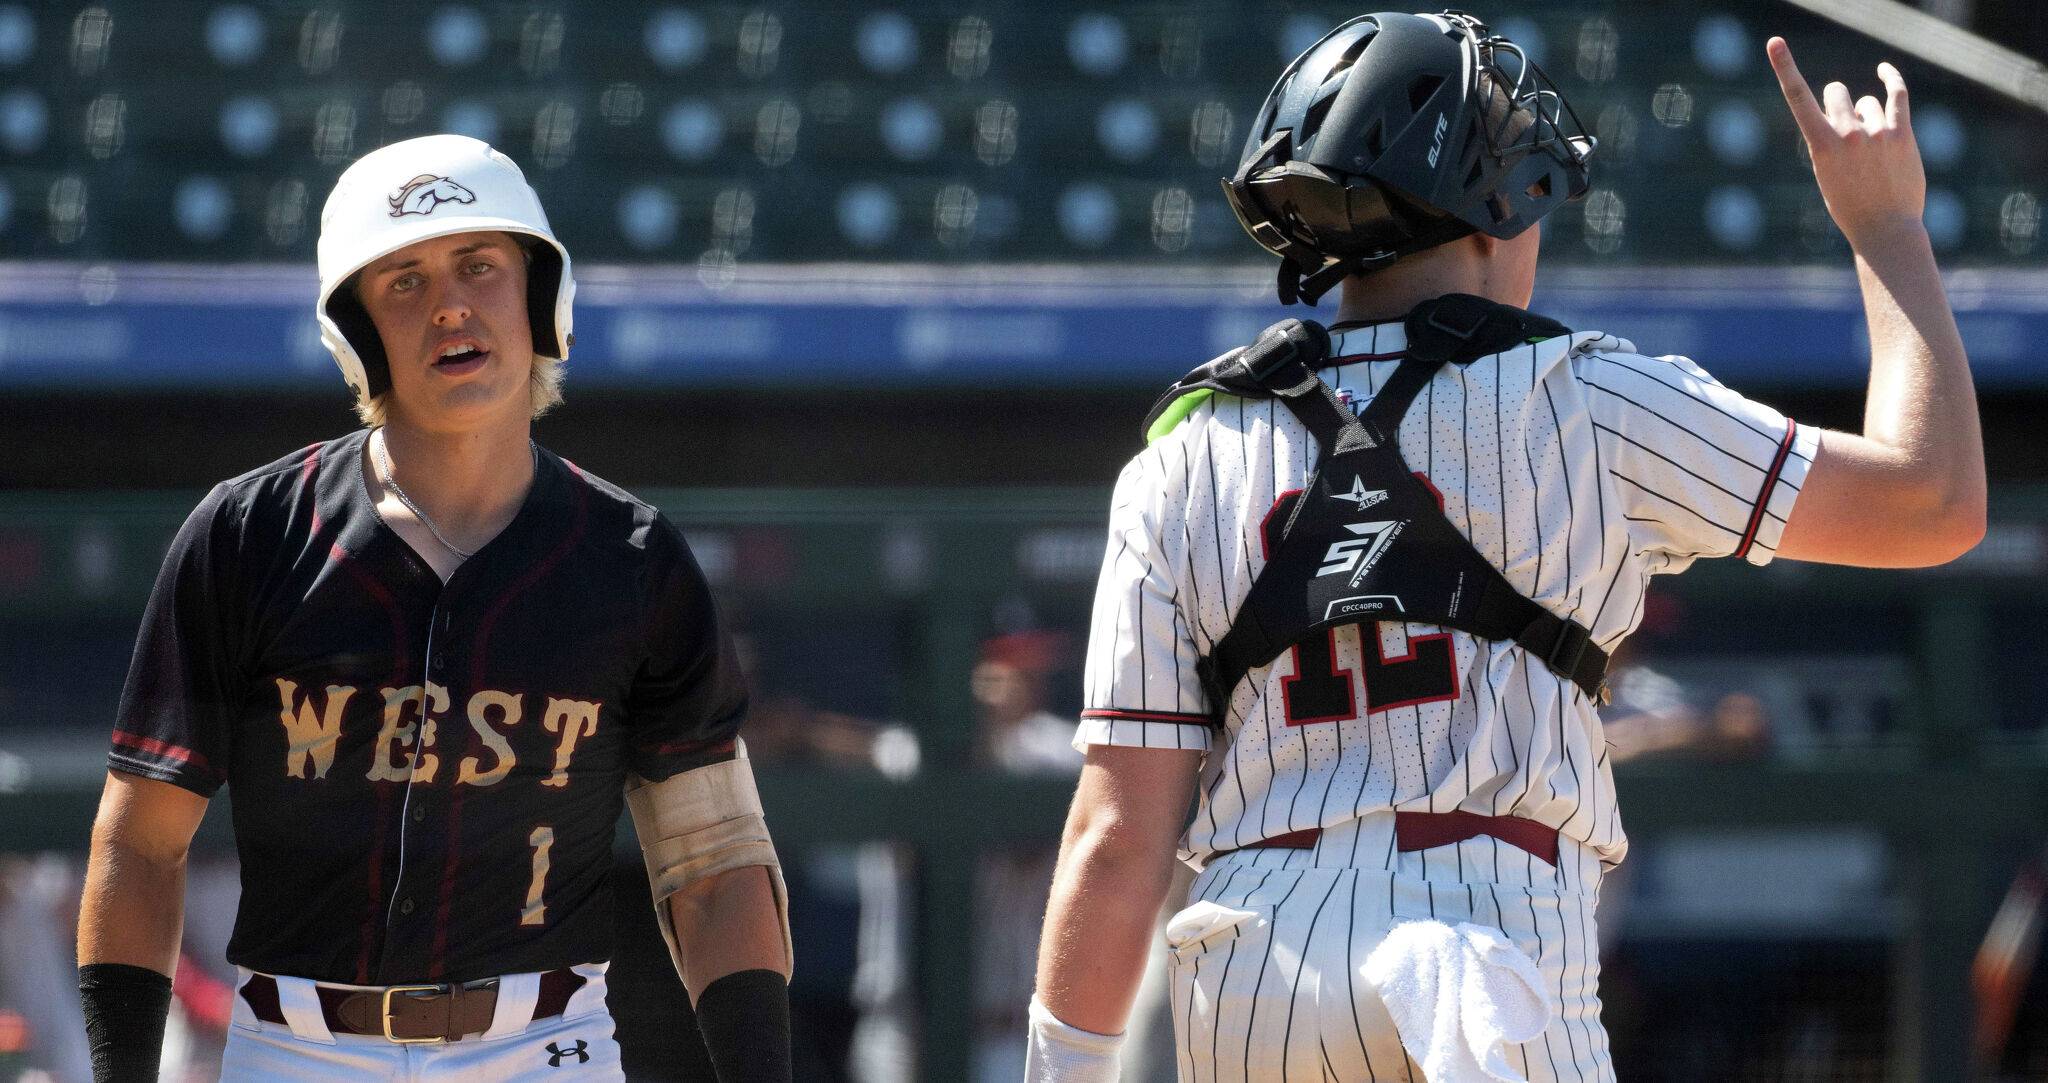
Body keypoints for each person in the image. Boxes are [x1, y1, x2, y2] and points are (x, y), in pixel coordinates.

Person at [1028, 12, 1981, 1082]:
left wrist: (1059, 1069)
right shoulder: (1584, 397)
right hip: (1478, 941)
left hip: (1253, 964)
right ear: (1499, 203)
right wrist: (1886, 230)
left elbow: (1114, 839)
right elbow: (1931, 502)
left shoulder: (1182, 454)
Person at [75, 134, 794, 1082]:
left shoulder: (633, 558)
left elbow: (716, 863)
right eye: (403, 281)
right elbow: (140, 841)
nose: (452, 302)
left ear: (540, 296)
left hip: (545, 1045)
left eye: (480, 265)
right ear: (358, 332)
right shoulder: (246, 535)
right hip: (294, 1046)